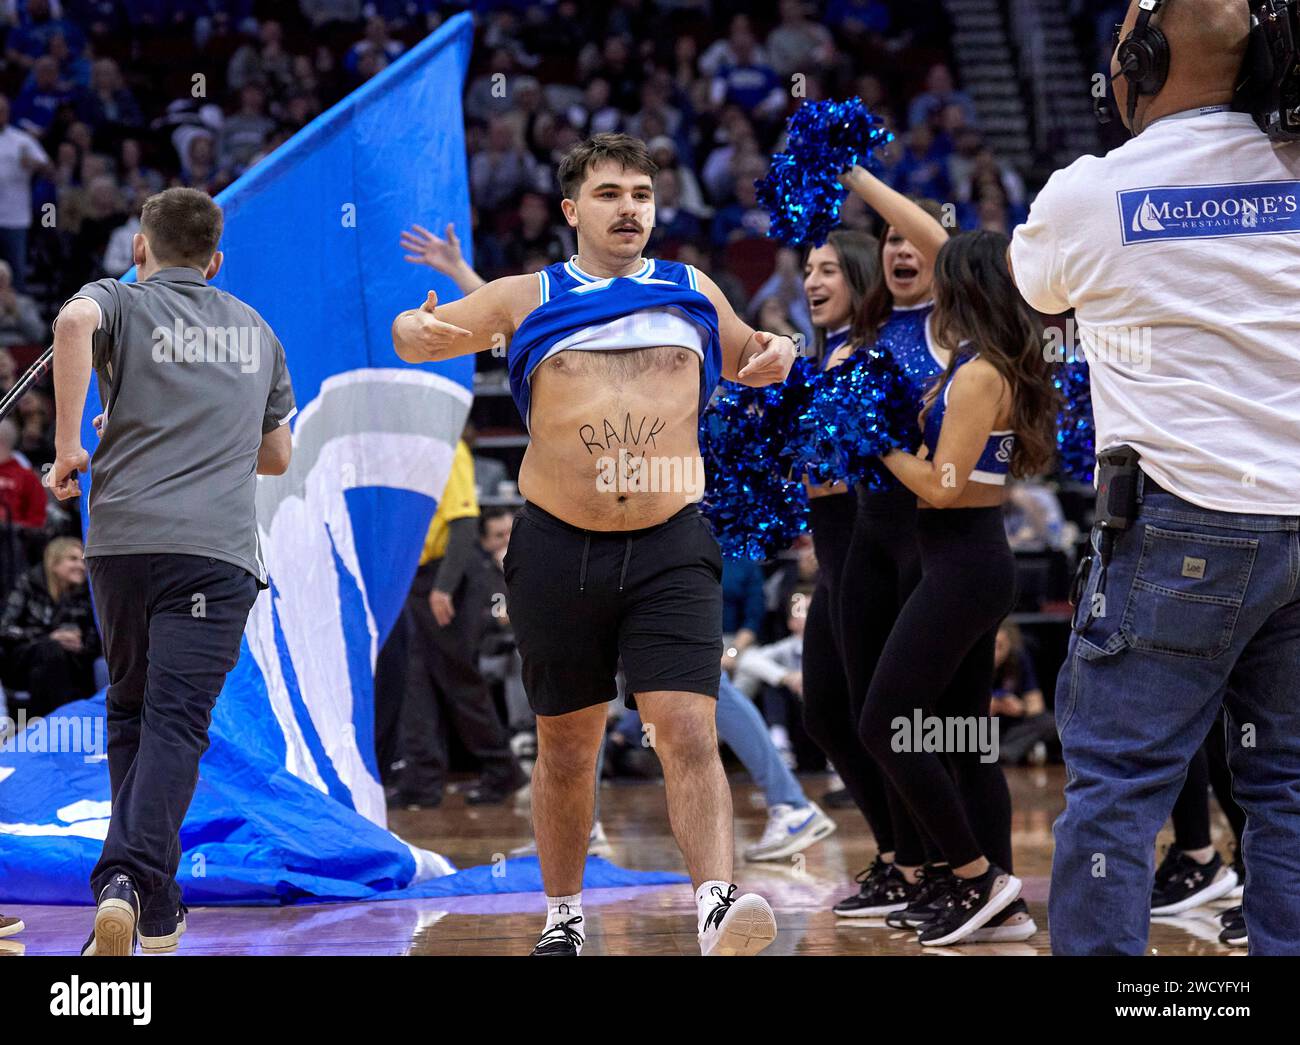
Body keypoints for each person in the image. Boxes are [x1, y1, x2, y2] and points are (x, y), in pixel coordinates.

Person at [392, 133, 796, 957]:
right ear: (573, 210)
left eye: (642, 194)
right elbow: (412, 334)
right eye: (610, 194)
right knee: (567, 744)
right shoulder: (526, 293)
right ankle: (564, 914)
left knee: (685, 724)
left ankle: (716, 904)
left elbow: (756, 355)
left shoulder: (690, 288)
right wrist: (417, 325)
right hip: (556, 547)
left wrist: (776, 353)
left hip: (672, 541)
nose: (630, 208)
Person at [1009, 0, 1300, 956]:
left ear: (1141, 54)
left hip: (1183, 529)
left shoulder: (1093, 191)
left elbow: (1034, 287)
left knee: (1121, 795)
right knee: (1288, 791)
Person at [46, 187, 296, 956]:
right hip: (212, 554)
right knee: (175, 719)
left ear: (139, 249)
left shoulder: (121, 299)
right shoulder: (257, 329)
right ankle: (123, 876)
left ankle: (155, 906)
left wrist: (69, 446)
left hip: (121, 547)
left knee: (129, 708)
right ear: (216, 261)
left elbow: (69, 321)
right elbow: (276, 455)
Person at [862, 229, 1059, 946]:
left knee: (883, 721)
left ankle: (977, 874)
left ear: (964, 289)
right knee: (963, 735)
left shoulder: (979, 375)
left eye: (945, 281)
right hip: (967, 564)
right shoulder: (979, 365)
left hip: (964, 564)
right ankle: (996, 899)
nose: (934, 294)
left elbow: (942, 489)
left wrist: (875, 441)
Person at [392, 438, 525, 808]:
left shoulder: (449, 448)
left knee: (458, 678)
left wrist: (444, 587)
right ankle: (421, 780)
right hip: (419, 578)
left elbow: (464, 522)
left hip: (447, 578)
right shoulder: (418, 450)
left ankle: (503, 769)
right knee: (417, 680)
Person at [1, 535, 99, 716]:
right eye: (73, 559)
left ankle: (79, 720)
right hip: (25, 659)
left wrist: (81, 645)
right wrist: (50, 637)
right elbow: (5, 629)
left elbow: (96, 637)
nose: (81, 566)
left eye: (83, 561)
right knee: (51, 650)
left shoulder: (86, 594)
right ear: (54, 563)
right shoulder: (28, 584)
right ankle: (56, 719)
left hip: (71, 660)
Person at [0, 93, 51, 292]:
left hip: (15, 218)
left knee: (17, 275)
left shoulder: (22, 140)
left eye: (2, 110)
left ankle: (18, 318)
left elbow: (50, 170)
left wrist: (34, 164)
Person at [990, 619, 1058, 765]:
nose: (994, 653)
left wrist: (1019, 708)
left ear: (1009, 643)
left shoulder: (1019, 658)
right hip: (983, 726)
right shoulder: (974, 662)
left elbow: (1036, 704)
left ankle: (1002, 753)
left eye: (1000, 646)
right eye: (991, 646)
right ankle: (1012, 752)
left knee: (1052, 723)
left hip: (1013, 728)